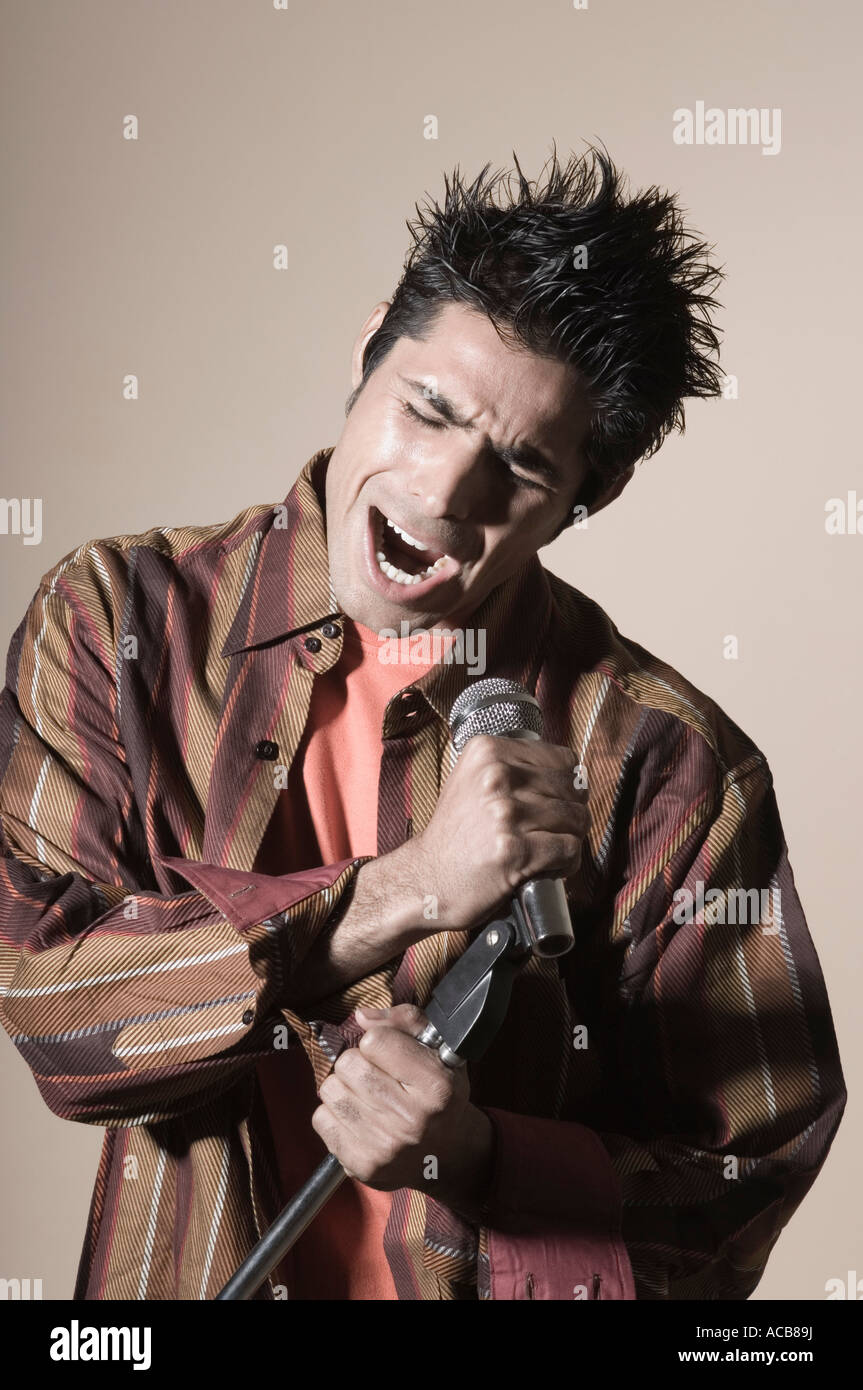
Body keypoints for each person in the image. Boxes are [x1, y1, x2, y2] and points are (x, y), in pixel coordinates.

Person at [0, 148, 846, 1301]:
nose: (444, 491)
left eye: (519, 465)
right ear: (365, 353)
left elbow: (745, 1171)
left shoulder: (666, 766)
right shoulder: (115, 624)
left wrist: (479, 1156)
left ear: (584, 499)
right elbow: (59, 1014)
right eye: (426, 409)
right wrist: (404, 892)